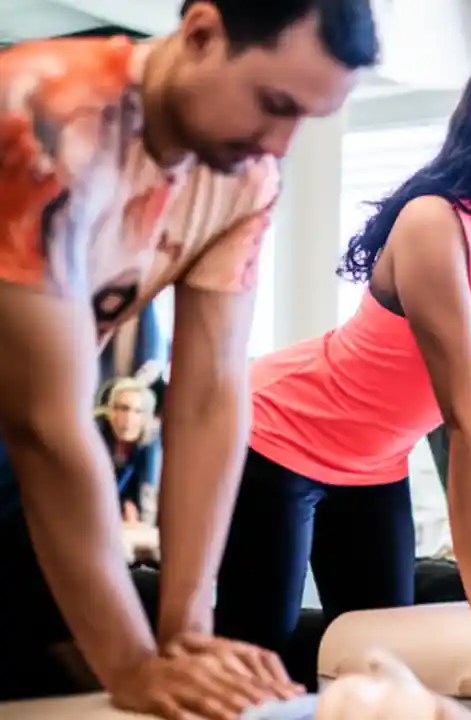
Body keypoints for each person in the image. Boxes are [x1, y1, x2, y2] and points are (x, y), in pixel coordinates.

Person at [0, 0, 377, 716]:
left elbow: (207, 394)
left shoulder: (246, 176)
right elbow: (44, 425)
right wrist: (134, 663)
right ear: (202, 33)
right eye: (273, 104)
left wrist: (185, 630)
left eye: (305, 119)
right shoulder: (43, 111)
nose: (281, 143)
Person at [214, 43, 471, 662]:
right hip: (277, 436)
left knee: (379, 655)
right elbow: (467, 420)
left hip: (377, 466)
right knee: (255, 656)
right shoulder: (436, 225)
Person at [96, 378, 160, 523]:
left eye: (138, 411)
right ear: (111, 411)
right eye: (124, 408)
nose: (129, 418)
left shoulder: (151, 442)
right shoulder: (95, 434)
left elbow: (149, 492)